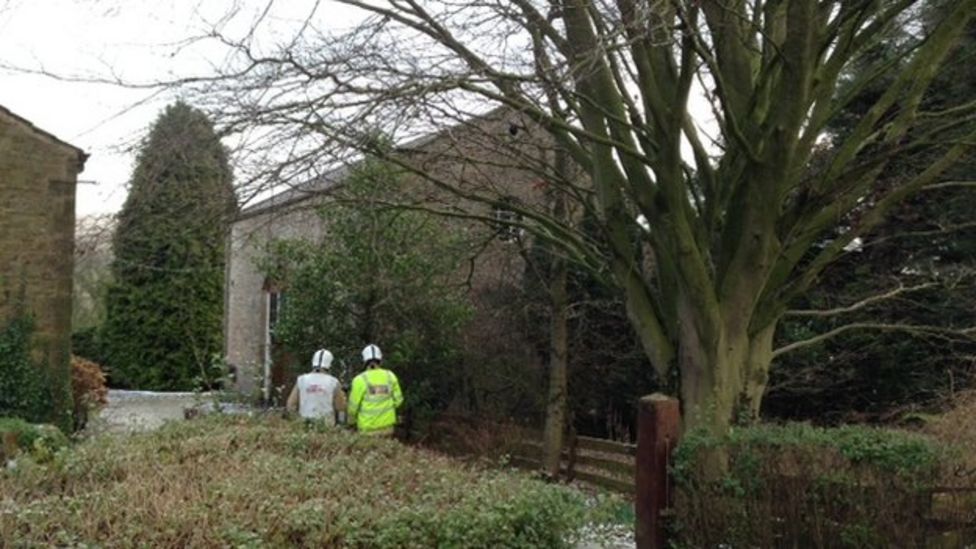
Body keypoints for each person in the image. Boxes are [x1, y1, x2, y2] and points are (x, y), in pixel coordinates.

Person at [347, 344, 403, 436]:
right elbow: (399, 401)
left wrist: (351, 422)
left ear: (364, 361)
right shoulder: (390, 376)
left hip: (367, 430)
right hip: (387, 428)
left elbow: (352, 409)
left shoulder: (359, 380)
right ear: (380, 360)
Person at [286, 348, 347, 425]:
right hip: (326, 426)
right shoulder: (333, 382)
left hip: (304, 425)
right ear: (330, 364)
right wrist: (341, 424)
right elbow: (340, 407)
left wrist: (295, 422)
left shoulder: (302, 380)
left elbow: (290, 404)